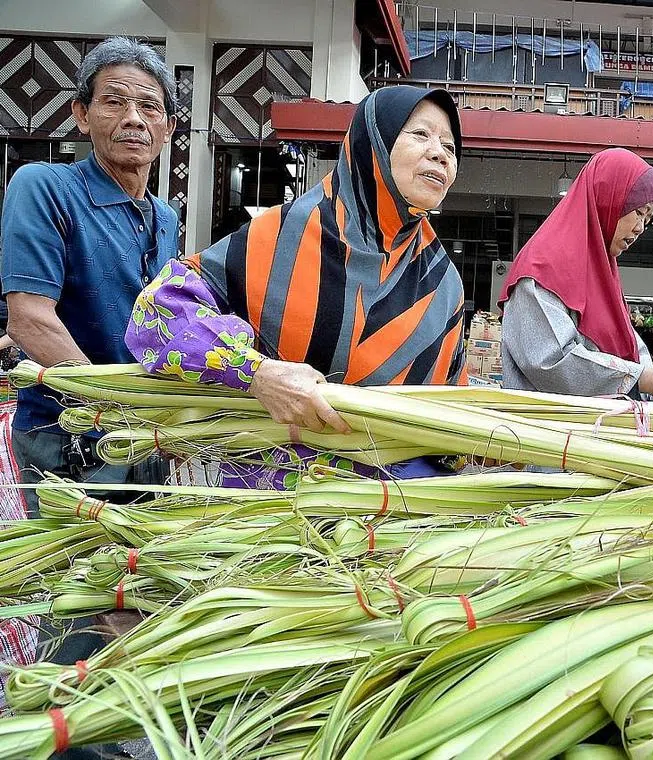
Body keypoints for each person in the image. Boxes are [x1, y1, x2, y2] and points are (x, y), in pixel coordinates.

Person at [127, 85, 468, 489]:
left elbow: (450, 411)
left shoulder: (443, 284)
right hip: (270, 511)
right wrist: (256, 373)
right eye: (420, 134)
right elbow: (158, 312)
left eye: (449, 145)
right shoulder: (281, 236)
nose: (440, 152)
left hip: (389, 515)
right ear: (372, 143)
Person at [0, 36, 177, 515]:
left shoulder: (165, 217)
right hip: (70, 434)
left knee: (142, 574)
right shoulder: (44, 187)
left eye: (149, 106)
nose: (134, 119)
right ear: (82, 114)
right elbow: (29, 321)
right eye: (114, 102)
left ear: (168, 127)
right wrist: (114, 409)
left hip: (145, 434)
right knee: (68, 575)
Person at [498, 148, 653, 400]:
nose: (641, 227)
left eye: (648, 218)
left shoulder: (601, 271)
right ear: (608, 199)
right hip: (552, 430)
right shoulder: (541, 267)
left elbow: (629, 345)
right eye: (639, 212)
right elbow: (549, 361)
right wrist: (641, 378)